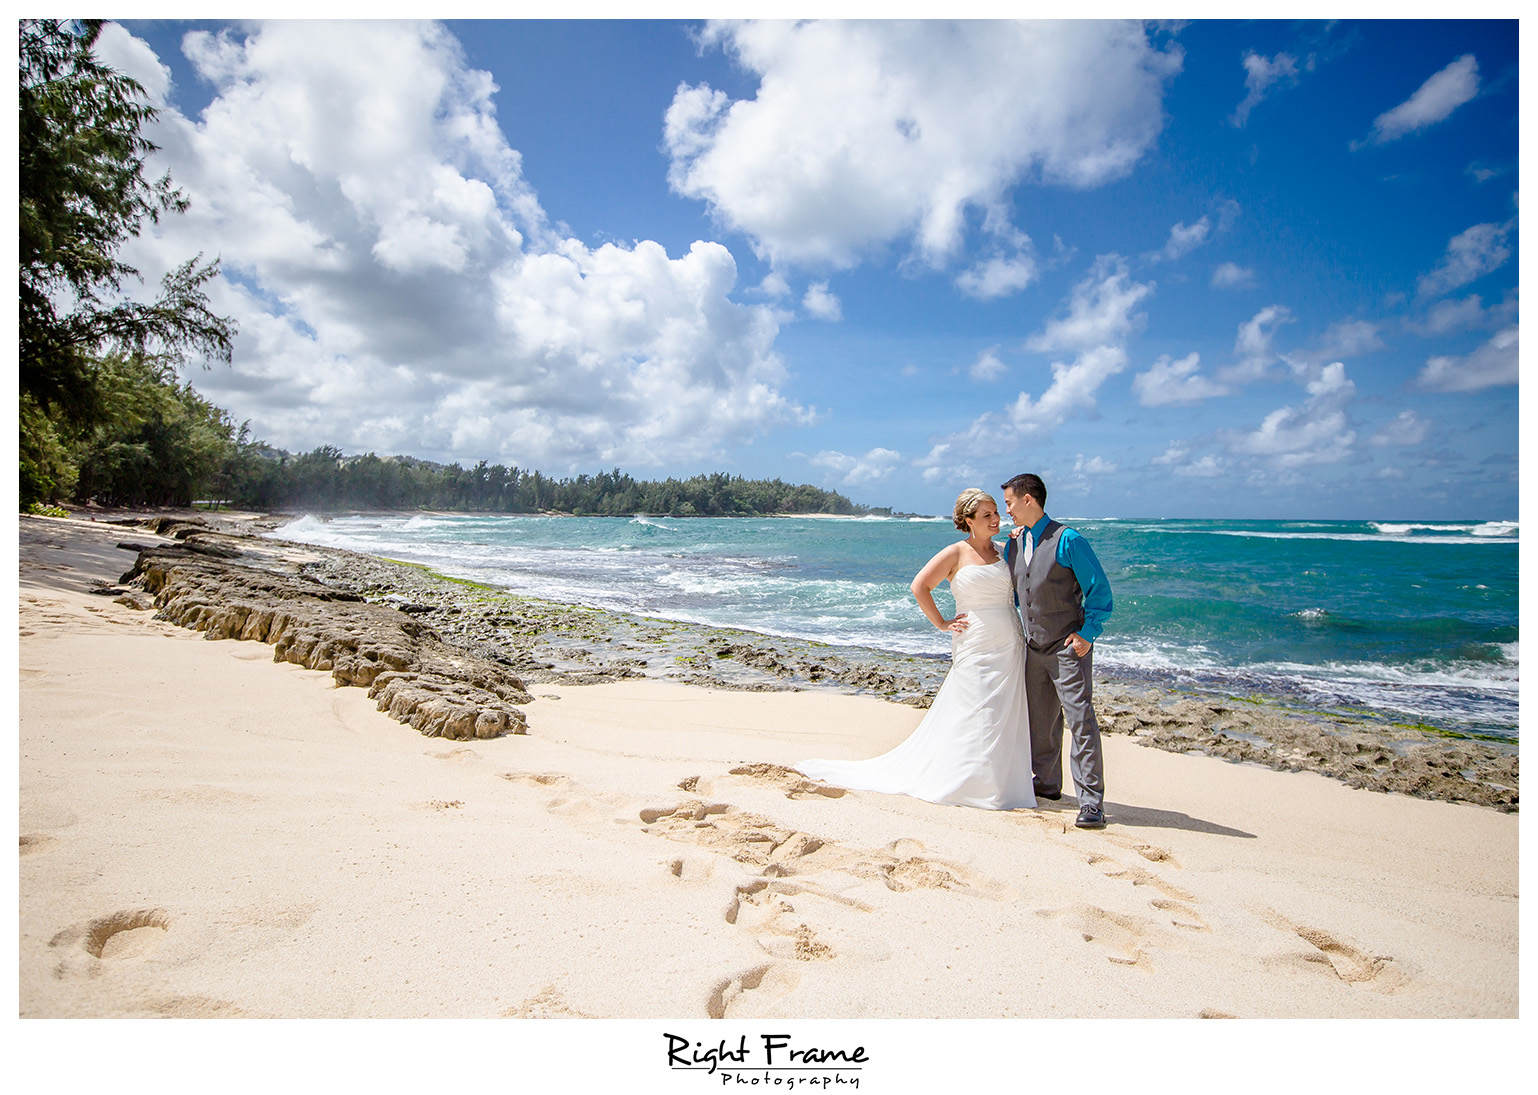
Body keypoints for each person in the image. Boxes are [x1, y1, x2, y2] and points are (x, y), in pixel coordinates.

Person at [795, 489, 1035, 810]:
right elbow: (920, 586)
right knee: (976, 706)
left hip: (1009, 637)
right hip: (974, 639)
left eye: (996, 513)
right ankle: (967, 780)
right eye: (987, 515)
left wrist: (1026, 536)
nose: (996, 519)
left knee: (1005, 708)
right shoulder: (955, 553)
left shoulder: (1007, 551)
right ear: (969, 521)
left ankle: (1000, 781)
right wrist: (941, 623)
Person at [1000, 473, 1113, 829]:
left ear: (1028, 500)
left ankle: (1091, 802)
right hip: (1034, 647)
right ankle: (1047, 785)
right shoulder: (1014, 544)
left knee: (1081, 721)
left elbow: (1100, 591)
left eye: (1009, 503)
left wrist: (1087, 633)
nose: (1008, 511)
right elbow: (1020, 592)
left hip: (1068, 647)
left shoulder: (1069, 540)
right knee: (1041, 721)